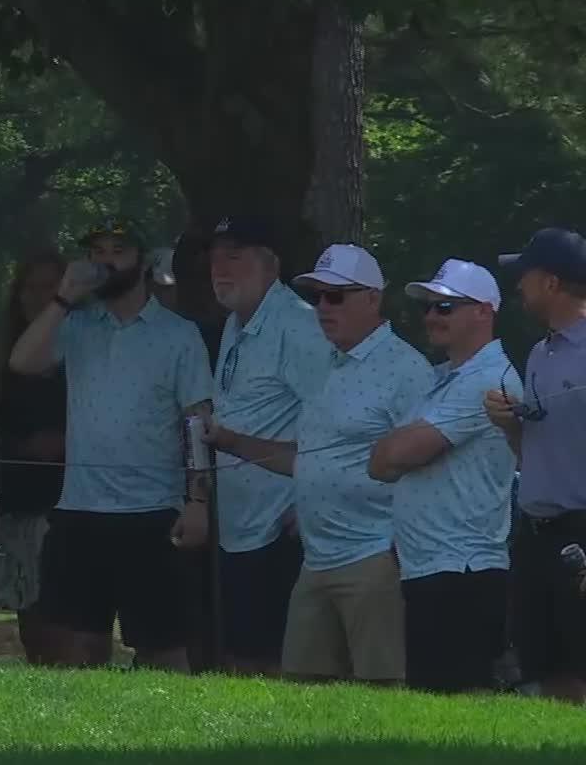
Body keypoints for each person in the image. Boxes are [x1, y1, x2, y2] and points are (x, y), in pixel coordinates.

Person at [209, 244, 433, 684]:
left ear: (373, 298)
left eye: (336, 297)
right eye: (317, 297)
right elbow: (309, 460)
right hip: (315, 560)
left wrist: (399, 550)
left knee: (382, 694)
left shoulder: (407, 370)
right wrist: (232, 442)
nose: (323, 308)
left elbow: (428, 469)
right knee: (303, 692)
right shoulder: (327, 366)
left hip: (374, 557)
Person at [8, 219, 216, 671]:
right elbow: (22, 361)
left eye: (117, 251)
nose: (104, 261)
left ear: (142, 262)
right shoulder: (76, 324)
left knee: (164, 651)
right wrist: (63, 298)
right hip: (80, 513)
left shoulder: (178, 335)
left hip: (153, 514)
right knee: (78, 650)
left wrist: (197, 502)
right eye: (97, 251)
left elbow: (198, 421)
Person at [368, 260, 518, 693]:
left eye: (446, 306)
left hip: (463, 572)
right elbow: (385, 462)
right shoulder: (444, 378)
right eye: (430, 306)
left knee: (463, 711)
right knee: (434, 712)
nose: (432, 315)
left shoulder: (489, 380)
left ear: (483, 312)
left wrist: (392, 447)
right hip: (432, 569)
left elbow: (391, 455)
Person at [205, 216, 332, 674]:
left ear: (270, 265)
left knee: (283, 665)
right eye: (215, 258)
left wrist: (311, 500)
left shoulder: (299, 326)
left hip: (284, 526)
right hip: (239, 525)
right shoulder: (234, 325)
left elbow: (332, 418)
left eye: (234, 257)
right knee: (244, 661)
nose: (221, 268)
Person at [485, 227, 586, 702]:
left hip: (579, 533)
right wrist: (509, 425)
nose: (518, 285)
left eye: (524, 275)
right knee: (538, 658)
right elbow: (533, 453)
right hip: (534, 534)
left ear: (550, 282)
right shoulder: (538, 355)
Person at [0, 250, 66, 663]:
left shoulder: (84, 349)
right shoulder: (7, 357)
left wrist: (66, 442)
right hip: (21, 503)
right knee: (31, 624)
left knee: (67, 621)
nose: (39, 295)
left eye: (50, 286)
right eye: (30, 286)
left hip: (70, 504)